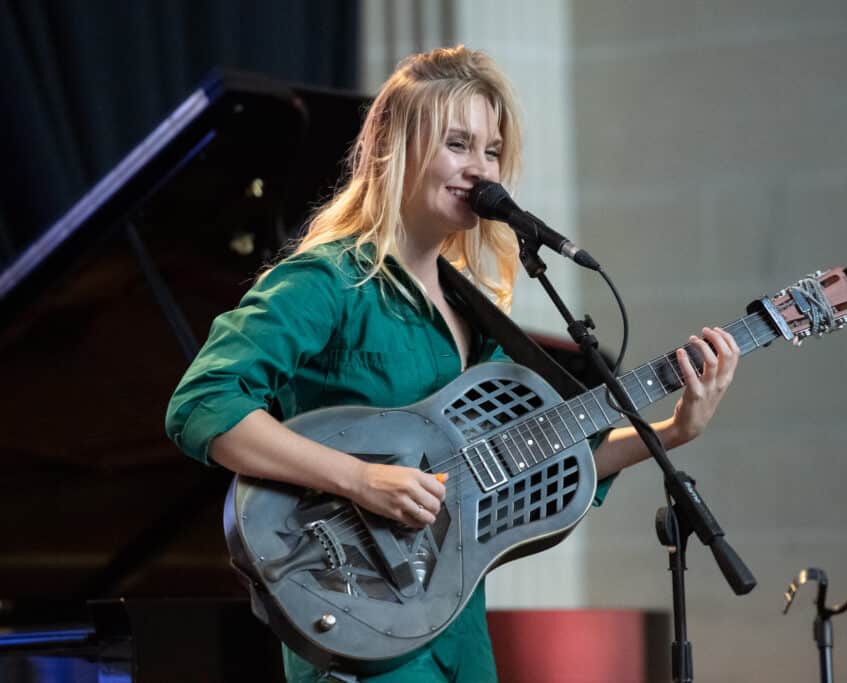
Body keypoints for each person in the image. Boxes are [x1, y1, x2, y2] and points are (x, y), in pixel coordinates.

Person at [165, 45, 739, 683]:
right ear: (394, 148)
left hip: (455, 628)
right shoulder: (325, 281)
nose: (481, 170)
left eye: (491, 151)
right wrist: (359, 479)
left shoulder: (472, 309)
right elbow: (204, 405)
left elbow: (534, 463)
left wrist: (672, 432)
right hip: (356, 618)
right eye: (458, 144)